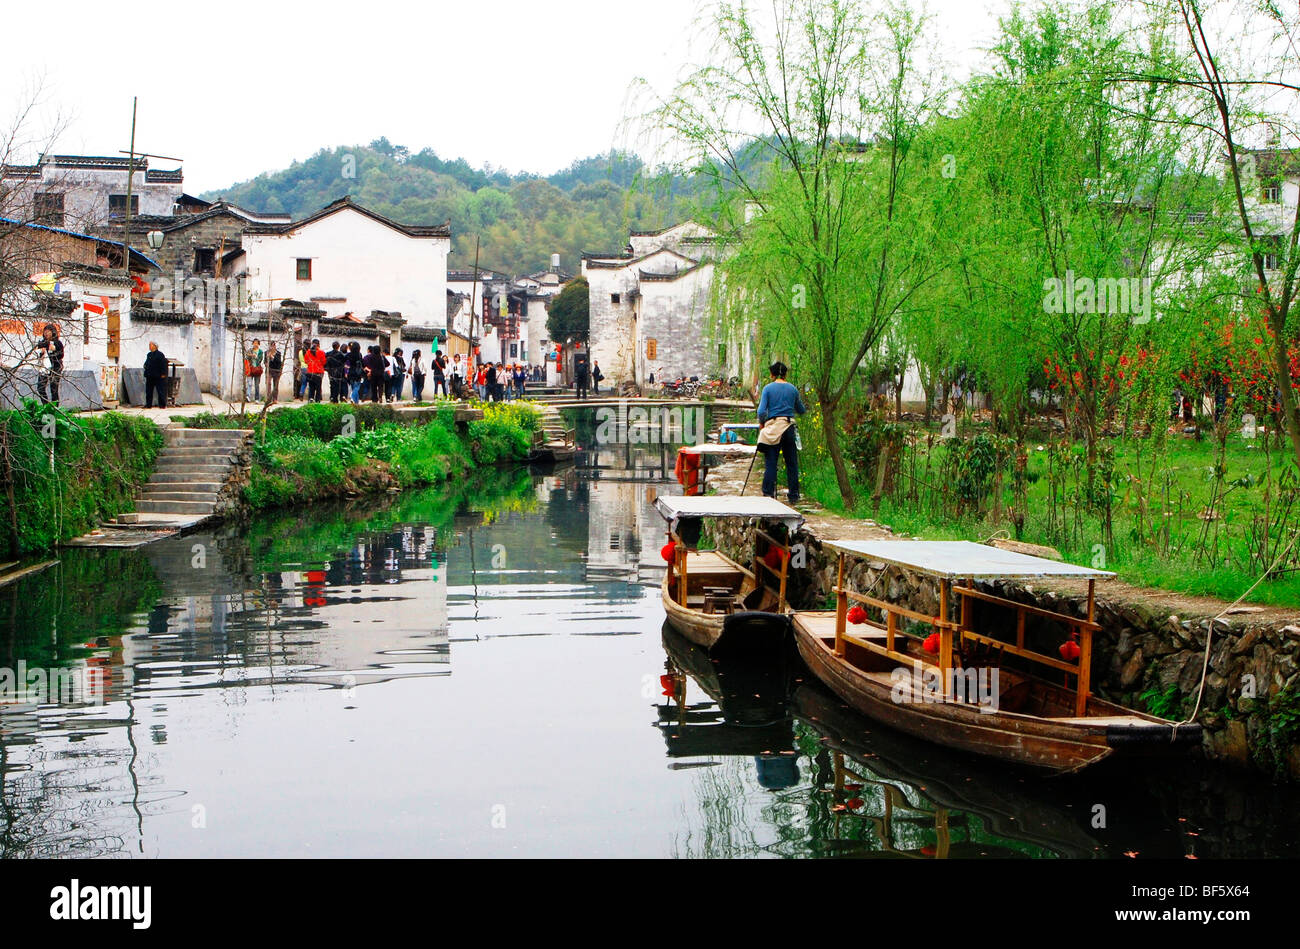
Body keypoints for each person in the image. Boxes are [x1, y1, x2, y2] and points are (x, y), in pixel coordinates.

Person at [756, 360, 806, 505]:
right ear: (785, 374)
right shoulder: (793, 389)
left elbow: (761, 411)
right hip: (789, 427)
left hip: (774, 428)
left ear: (772, 374)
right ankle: (794, 495)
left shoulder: (768, 389)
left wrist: (762, 423)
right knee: (792, 463)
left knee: (771, 462)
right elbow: (801, 409)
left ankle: (768, 493)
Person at [34, 324, 64, 405]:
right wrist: (42, 352)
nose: (46, 333)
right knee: (40, 387)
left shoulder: (57, 343)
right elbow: (39, 355)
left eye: (48, 332)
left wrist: (54, 350)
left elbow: (61, 355)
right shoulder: (42, 342)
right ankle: (46, 406)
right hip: (45, 367)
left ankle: (54, 409)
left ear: (53, 332)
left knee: (53, 389)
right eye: (45, 331)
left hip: (55, 367)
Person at [143, 341, 169, 408]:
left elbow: (163, 364)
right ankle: (148, 405)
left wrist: (163, 373)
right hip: (150, 376)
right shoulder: (149, 354)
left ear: (155, 346)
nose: (149, 346)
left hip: (158, 376)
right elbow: (147, 363)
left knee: (160, 391)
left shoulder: (160, 354)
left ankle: (162, 405)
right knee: (149, 391)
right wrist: (145, 366)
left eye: (150, 345)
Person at [304, 338, 326, 402]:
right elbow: (324, 362)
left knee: (311, 387)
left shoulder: (308, 352)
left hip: (310, 372)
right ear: (318, 345)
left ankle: (311, 399)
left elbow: (306, 361)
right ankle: (317, 401)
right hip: (318, 372)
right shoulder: (321, 352)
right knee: (318, 388)